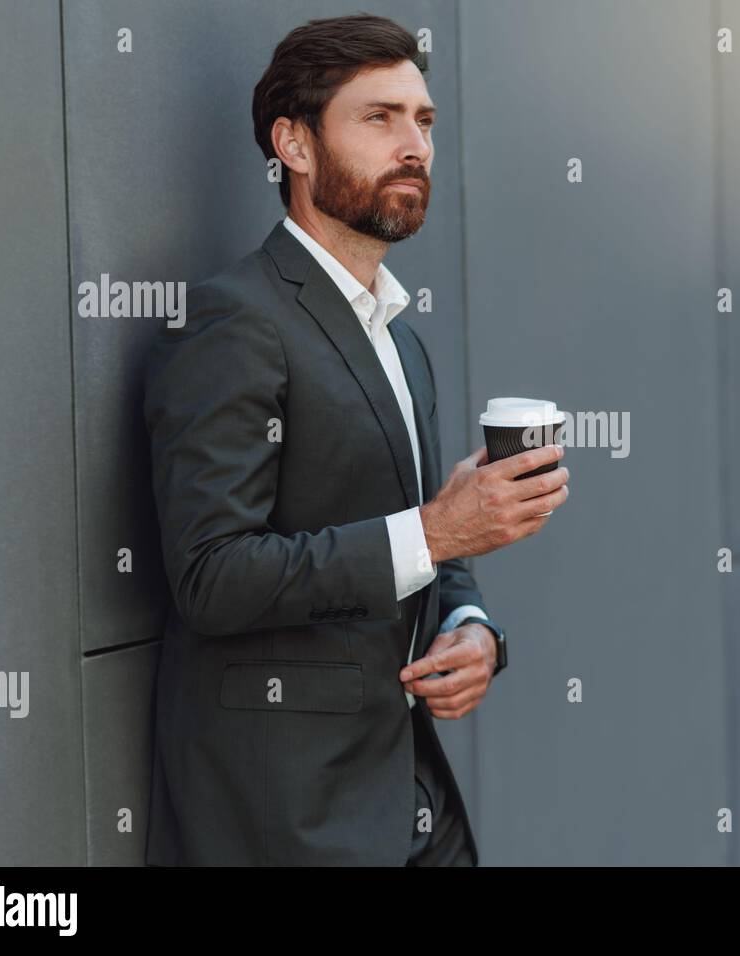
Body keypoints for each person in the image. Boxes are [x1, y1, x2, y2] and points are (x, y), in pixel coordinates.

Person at [140, 12, 569, 866]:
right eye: (379, 117)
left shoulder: (400, 334)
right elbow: (212, 576)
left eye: (424, 121)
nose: (414, 144)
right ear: (293, 145)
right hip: (288, 816)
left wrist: (475, 627)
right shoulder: (234, 321)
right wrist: (440, 530)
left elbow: (428, 537)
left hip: (409, 789)